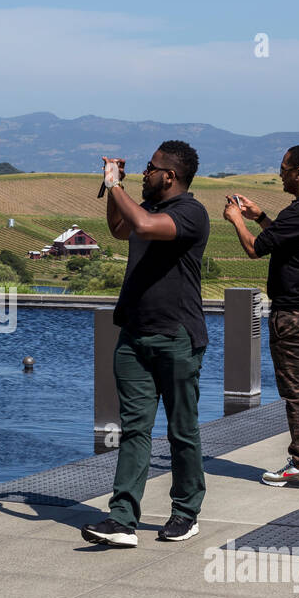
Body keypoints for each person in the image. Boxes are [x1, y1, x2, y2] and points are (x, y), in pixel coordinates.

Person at [82, 141, 208, 548]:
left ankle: (185, 513)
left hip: (177, 337)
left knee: (181, 430)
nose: (144, 173)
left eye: (150, 168)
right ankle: (122, 519)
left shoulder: (189, 213)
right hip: (134, 336)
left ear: (169, 176)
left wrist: (115, 183)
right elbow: (120, 228)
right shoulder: (147, 209)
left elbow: (142, 227)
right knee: (134, 430)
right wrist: (111, 189)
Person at [223, 144, 299, 489]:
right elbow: (285, 239)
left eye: (284, 169)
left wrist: (235, 221)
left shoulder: (298, 212)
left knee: (294, 392)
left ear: (298, 172)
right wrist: (259, 217)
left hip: (295, 316)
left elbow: (255, 249)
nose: (280, 175)